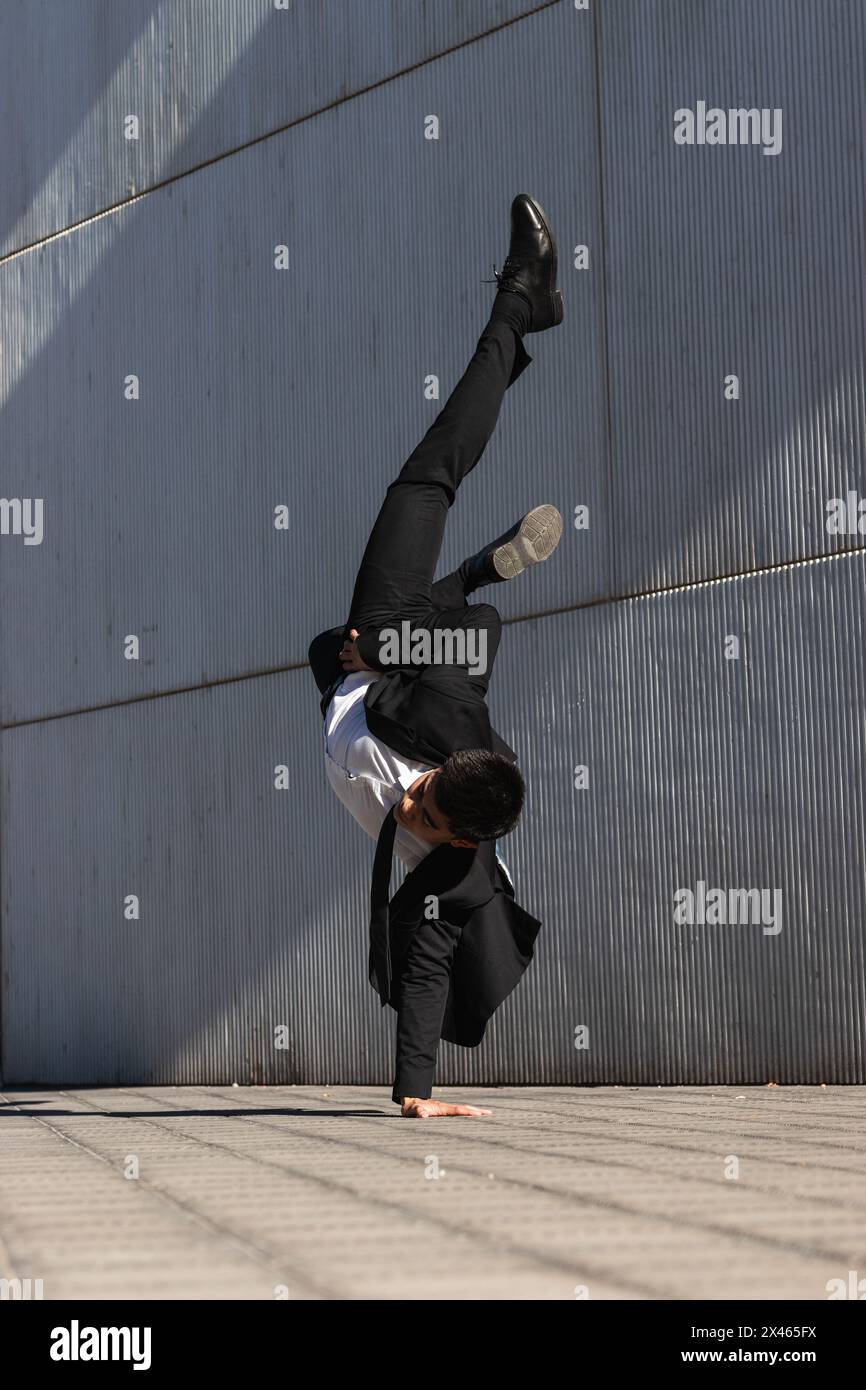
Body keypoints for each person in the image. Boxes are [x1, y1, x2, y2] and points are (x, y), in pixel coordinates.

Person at [308, 194, 564, 1117]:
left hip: (353, 669)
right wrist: (380, 645)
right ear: (450, 772)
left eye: (423, 813)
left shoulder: (444, 869)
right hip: (398, 641)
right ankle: (520, 299)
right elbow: (476, 639)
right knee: (431, 471)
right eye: (422, 795)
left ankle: (482, 564)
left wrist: (415, 1094)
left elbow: (423, 962)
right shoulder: (457, 722)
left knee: (398, 602)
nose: (407, 805)